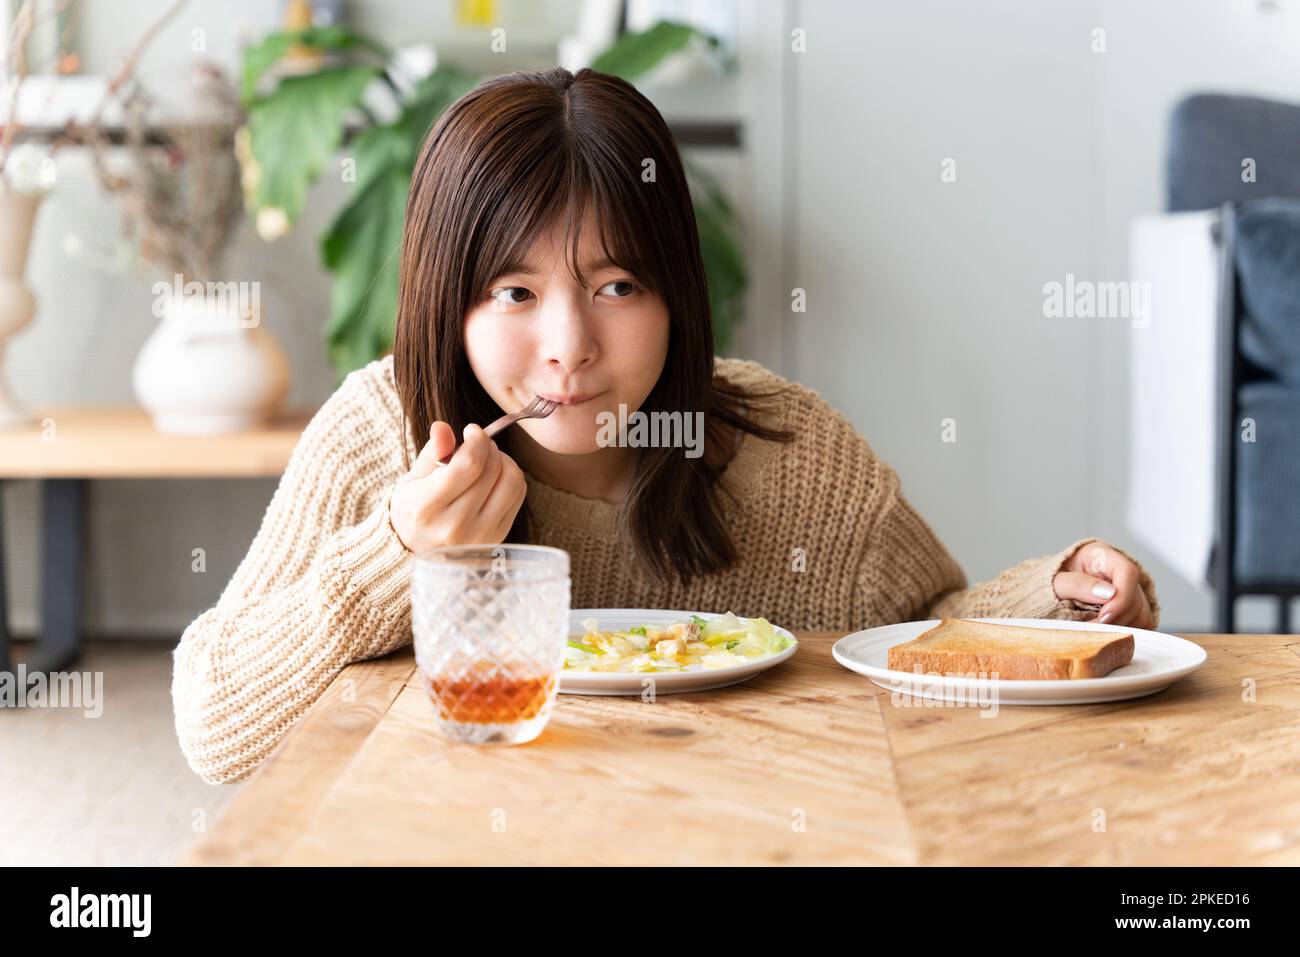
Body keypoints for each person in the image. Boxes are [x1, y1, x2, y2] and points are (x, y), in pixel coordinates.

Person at [172, 67, 1158, 785]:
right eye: (513, 291)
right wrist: (395, 553)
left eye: (616, 285)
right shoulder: (381, 434)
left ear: (675, 292)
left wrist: (1058, 598)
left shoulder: (786, 450)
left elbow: (922, 637)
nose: (568, 347)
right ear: (446, 302)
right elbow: (216, 730)